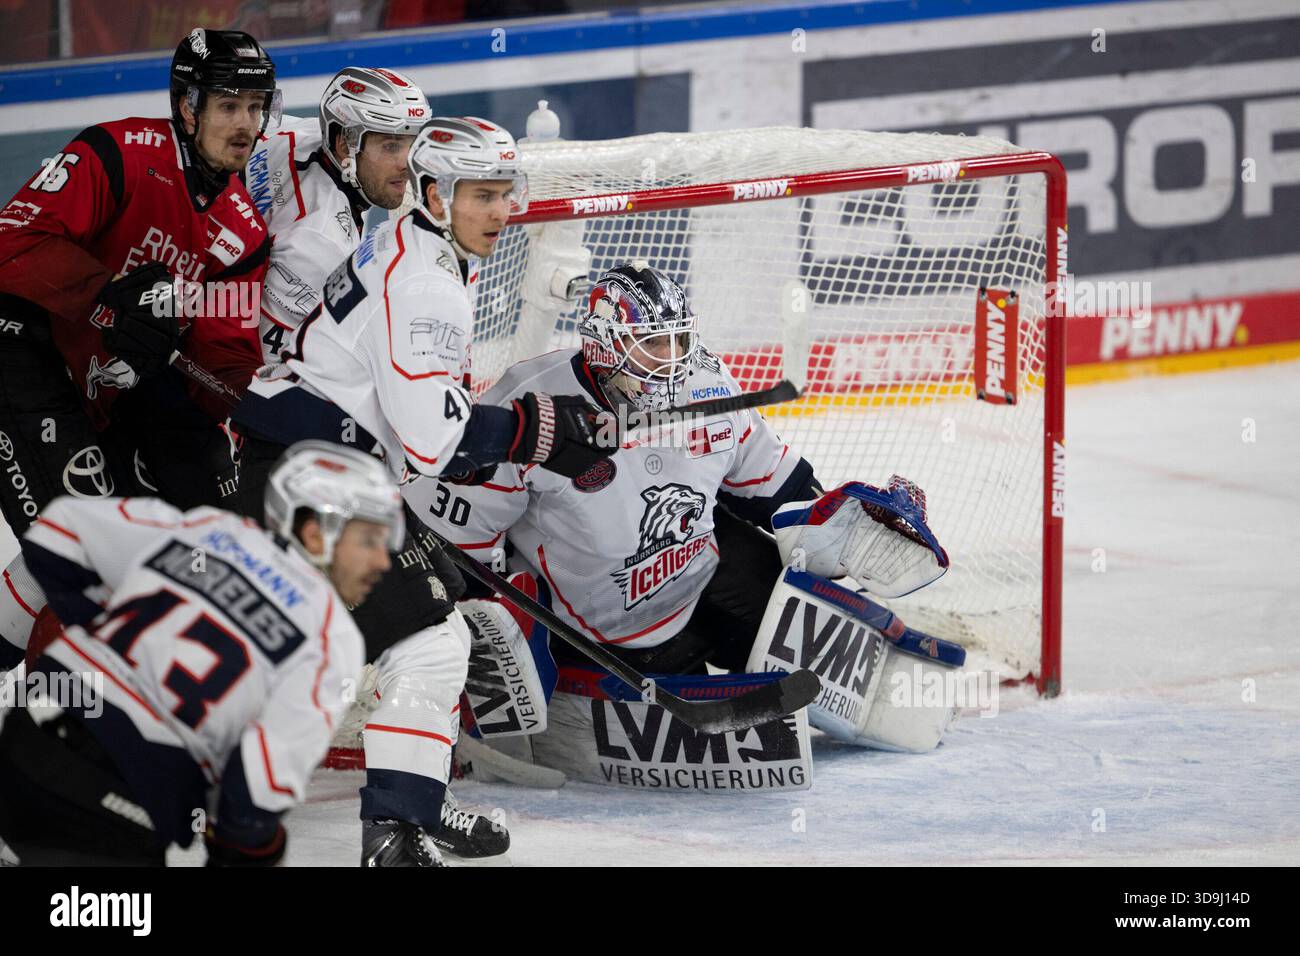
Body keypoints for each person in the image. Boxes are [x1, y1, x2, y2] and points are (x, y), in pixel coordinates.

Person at [228, 115, 614, 864]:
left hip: (307, 468)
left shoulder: (408, 243)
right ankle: (393, 832)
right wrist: (541, 432)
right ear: (435, 193)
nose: (501, 211)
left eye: (506, 193)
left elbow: (410, 428)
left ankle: (413, 804)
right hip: (306, 482)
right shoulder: (427, 282)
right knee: (430, 637)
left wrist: (530, 435)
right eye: (481, 195)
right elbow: (436, 442)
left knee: (433, 613)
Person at [413, 263, 951, 759]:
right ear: (604, 347)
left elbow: (775, 482)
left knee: (787, 595)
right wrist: (496, 645)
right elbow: (457, 545)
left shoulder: (707, 384)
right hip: (605, 630)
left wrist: (844, 524)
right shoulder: (527, 407)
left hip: (709, 575)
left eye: (679, 340)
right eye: (652, 346)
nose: (672, 360)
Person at [0, 27, 278, 672]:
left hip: (103, 393)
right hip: (20, 354)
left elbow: (227, 359)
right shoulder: (120, 152)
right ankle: (71, 734)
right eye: (229, 105)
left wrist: (238, 410)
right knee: (89, 549)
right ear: (188, 106)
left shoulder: (243, 231)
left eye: (257, 107)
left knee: (145, 541)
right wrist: (108, 298)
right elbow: (13, 242)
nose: (246, 124)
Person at [0, 440, 397, 866]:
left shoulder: (211, 530)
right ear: (317, 533)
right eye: (370, 540)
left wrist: (102, 626)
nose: (384, 561)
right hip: (115, 802)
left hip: (25, 739)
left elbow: (56, 532)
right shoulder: (330, 634)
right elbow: (256, 792)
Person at [247, 66, 429, 364]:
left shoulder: (302, 132)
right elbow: (274, 372)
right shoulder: (321, 245)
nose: (406, 164)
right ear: (344, 144)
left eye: (411, 143)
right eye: (391, 146)